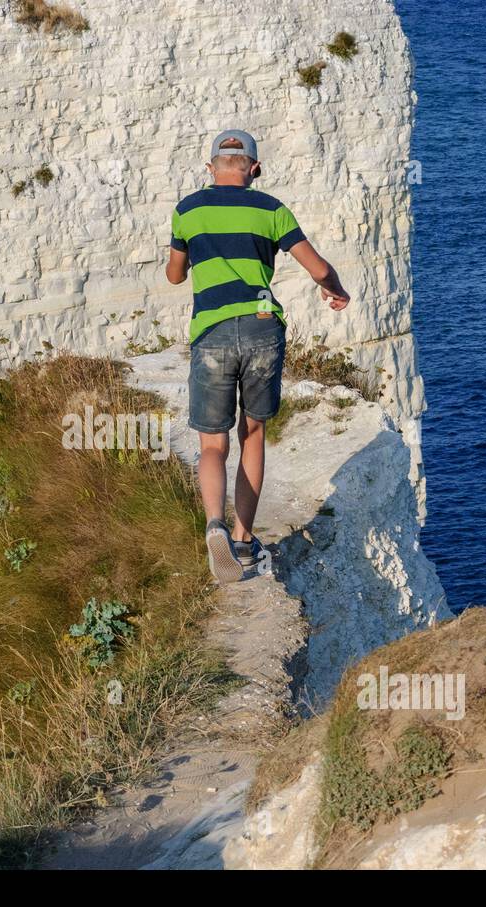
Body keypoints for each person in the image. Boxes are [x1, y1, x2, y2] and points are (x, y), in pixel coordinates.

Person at [165, 129, 352, 583]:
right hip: (262, 329)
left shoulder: (188, 209)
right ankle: (245, 540)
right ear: (255, 169)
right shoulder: (270, 208)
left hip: (211, 331)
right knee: (253, 433)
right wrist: (335, 289)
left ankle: (215, 526)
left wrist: (193, 253)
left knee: (213, 443)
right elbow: (319, 268)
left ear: (210, 169)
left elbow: (174, 275)